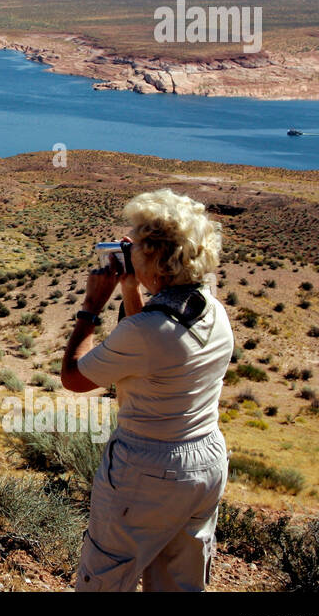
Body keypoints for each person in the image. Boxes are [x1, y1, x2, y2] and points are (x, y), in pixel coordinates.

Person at [61, 188, 234, 592]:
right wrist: (130, 286)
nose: (130, 250)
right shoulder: (212, 310)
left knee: (106, 576)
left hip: (148, 467)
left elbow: (73, 377)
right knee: (180, 581)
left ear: (156, 257)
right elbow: (153, 340)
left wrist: (91, 306)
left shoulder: (144, 333)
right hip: (206, 458)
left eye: (138, 244)